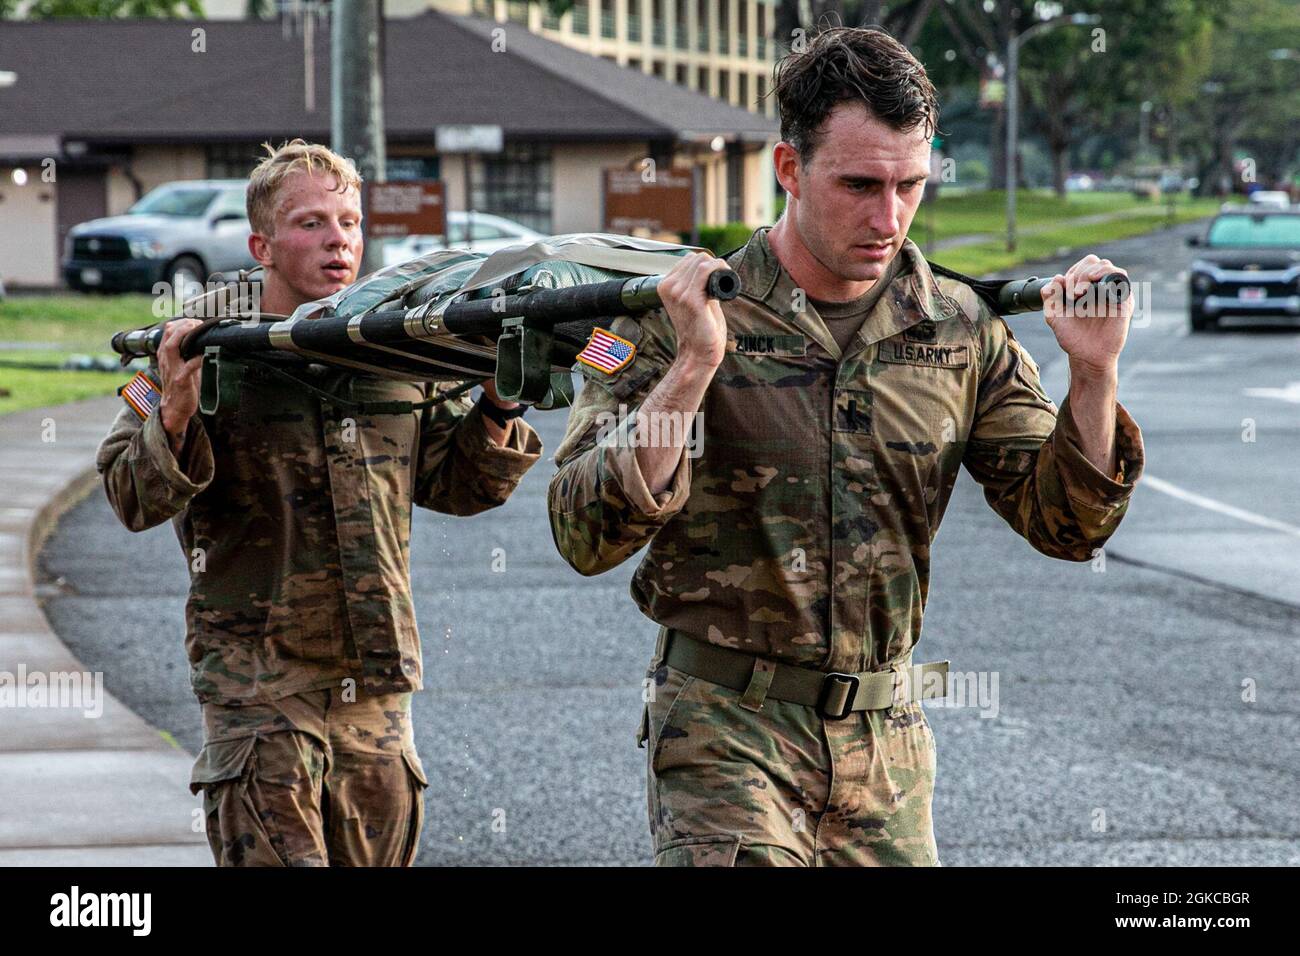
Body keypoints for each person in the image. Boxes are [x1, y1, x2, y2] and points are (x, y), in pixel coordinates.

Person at [546, 28, 1144, 866]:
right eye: (860, 184)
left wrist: (1093, 375)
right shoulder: (665, 319)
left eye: (910, 185)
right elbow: (582, 532)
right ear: (790, 170)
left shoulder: (959, 328)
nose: (889, 217)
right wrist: (691, 370)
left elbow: (1068, 527)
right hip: (726, 726)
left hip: (885, 741)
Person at [97, 139, 542, 866]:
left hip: (375, 690)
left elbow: (456, 487)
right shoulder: (193, 347)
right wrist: (174, 411)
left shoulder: (398, 345)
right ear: (261, 245)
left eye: (349, 221)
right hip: (259, 691)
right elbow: (127, 493)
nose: (338, 239)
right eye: (311, 223)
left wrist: (496, 405)